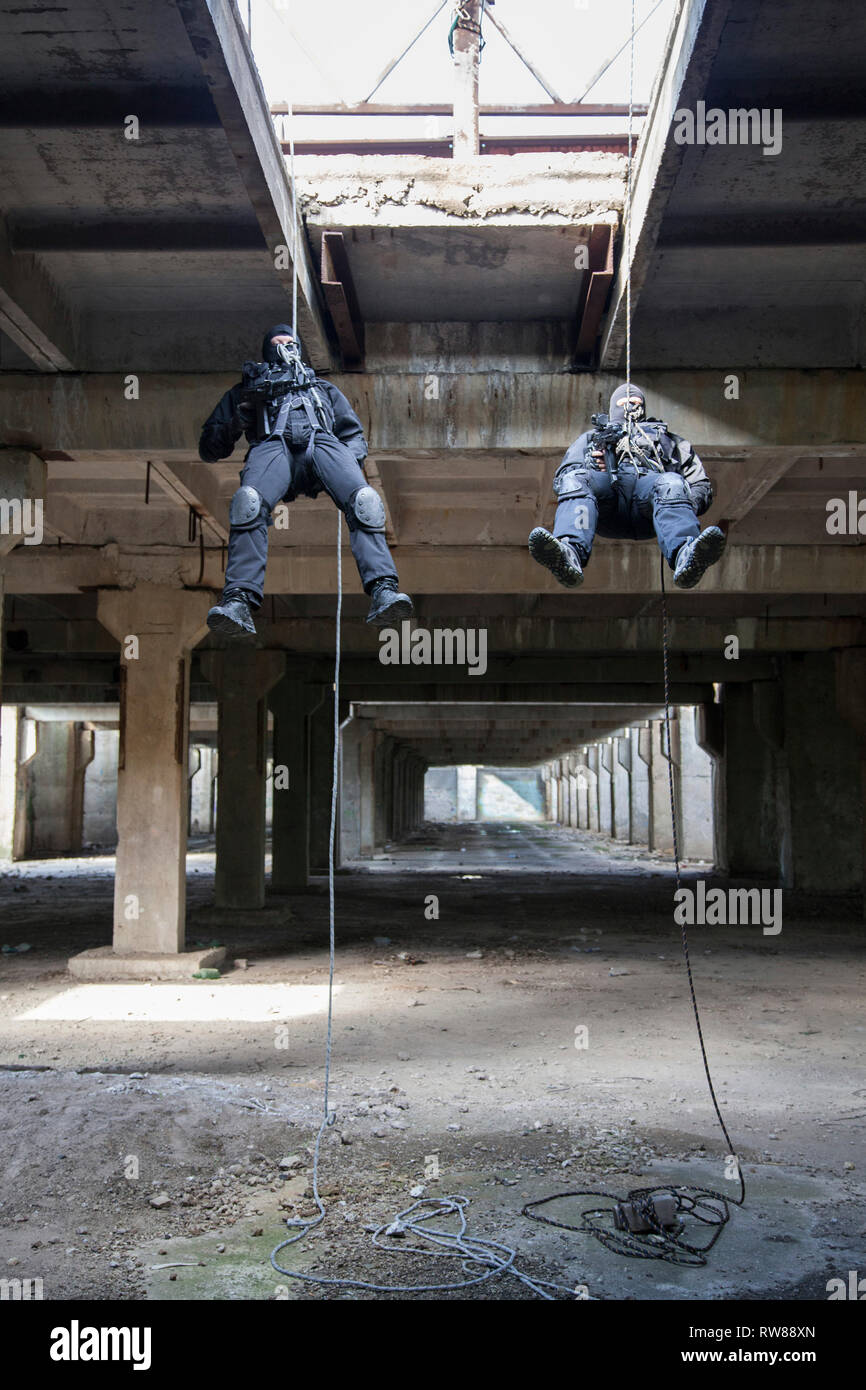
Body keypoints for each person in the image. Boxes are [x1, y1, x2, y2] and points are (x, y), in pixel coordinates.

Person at [199, 323, 413, 635]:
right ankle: (238, 601)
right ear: (267, 350)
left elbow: (352, 434)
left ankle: (384, 590)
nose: (286, 346)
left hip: (322, 442)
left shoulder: (323, 389)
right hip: (272, 446)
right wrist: (238, 420)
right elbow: (209, 448)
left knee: (365, 500)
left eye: (291, 341)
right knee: (247, 503)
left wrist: (346, 467)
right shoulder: (247, 390)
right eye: (278, 342)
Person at [528, 382, 726, 590]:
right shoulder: (590, 439)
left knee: (671, 482)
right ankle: (569, 555)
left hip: (651, 509)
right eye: (623, 403)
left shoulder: (670, 442)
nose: (629, 408)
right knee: (576, 478)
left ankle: (687, 557)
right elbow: (562, 480)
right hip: (606, 508)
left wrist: (679, 505)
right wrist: (594, 467)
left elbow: (700, 485)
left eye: (635, 402)